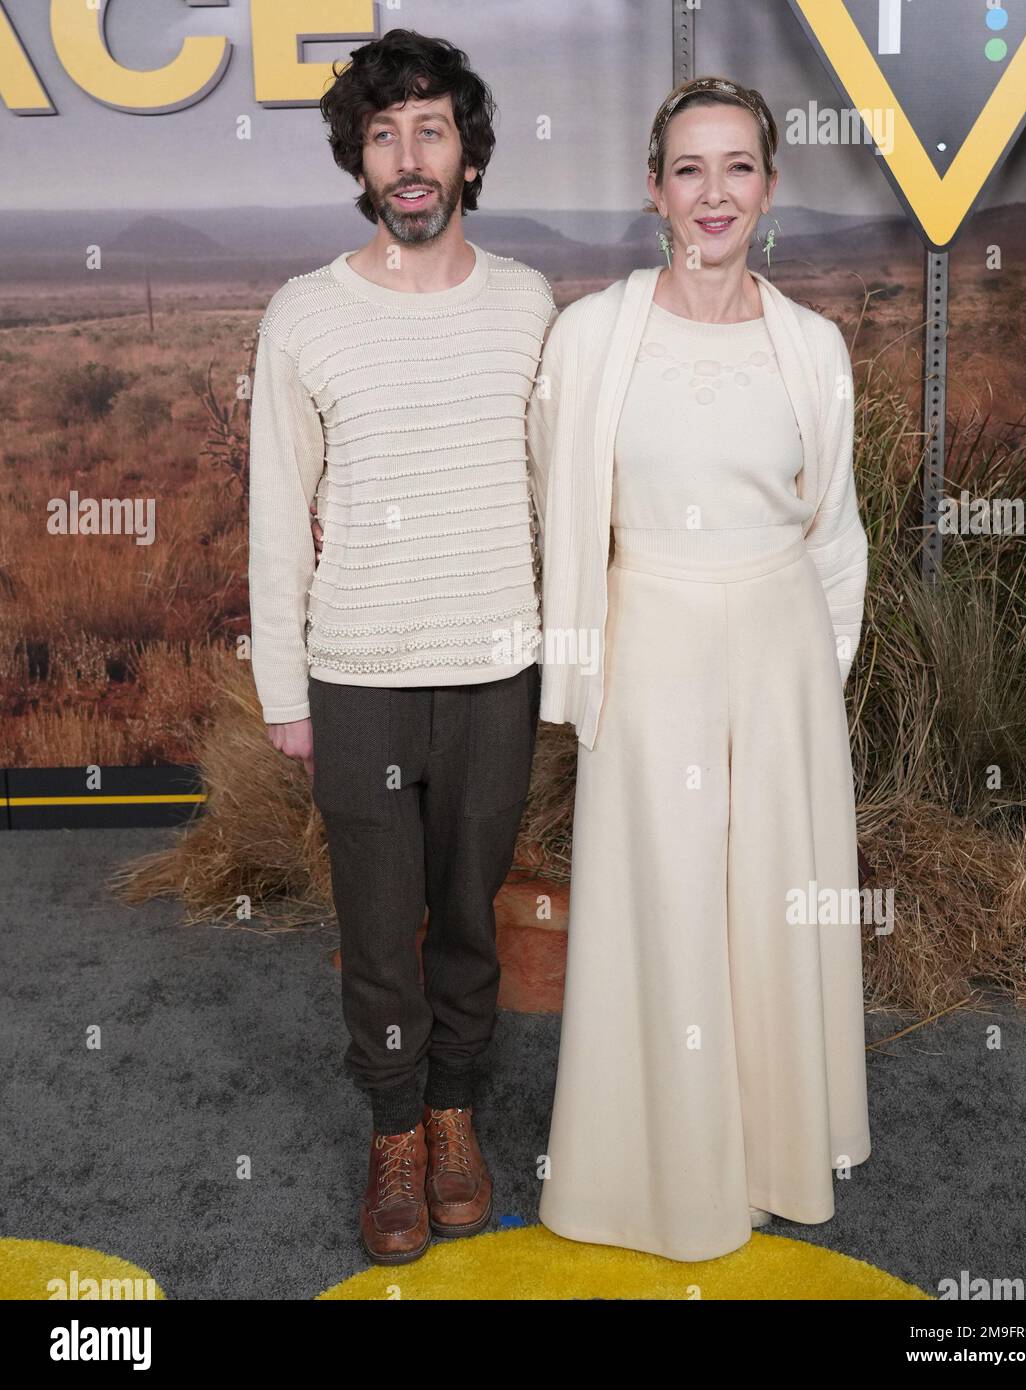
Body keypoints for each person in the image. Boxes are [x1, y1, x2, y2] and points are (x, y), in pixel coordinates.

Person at [526, 76, 872, 1261]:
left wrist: (810, 690)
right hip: (647, 643)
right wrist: (578, 684)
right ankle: (655, 1168)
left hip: (778, 656)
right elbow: (560, 515)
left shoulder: (812, 348)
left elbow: (833, 532)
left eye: (735, 168)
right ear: (652, 192)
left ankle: (775, 1151)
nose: (712, 193)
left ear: (768, 189)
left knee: (772, 900)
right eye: (688, 169)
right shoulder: (588, 336)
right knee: (663, 904)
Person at [247, 29, 553, 1265]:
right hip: (358, 673)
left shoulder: (529, 304)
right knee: (377, 925)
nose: (408, 157)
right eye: (384, 135)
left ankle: (454, 1116)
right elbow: (277, 511)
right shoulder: (305, 314)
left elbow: (554, 498)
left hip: (496, 668)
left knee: (470, 916)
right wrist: (285, 688)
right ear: (361, 163)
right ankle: (390, 1135)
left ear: (467, 157)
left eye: (430, 130)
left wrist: (571, 657)